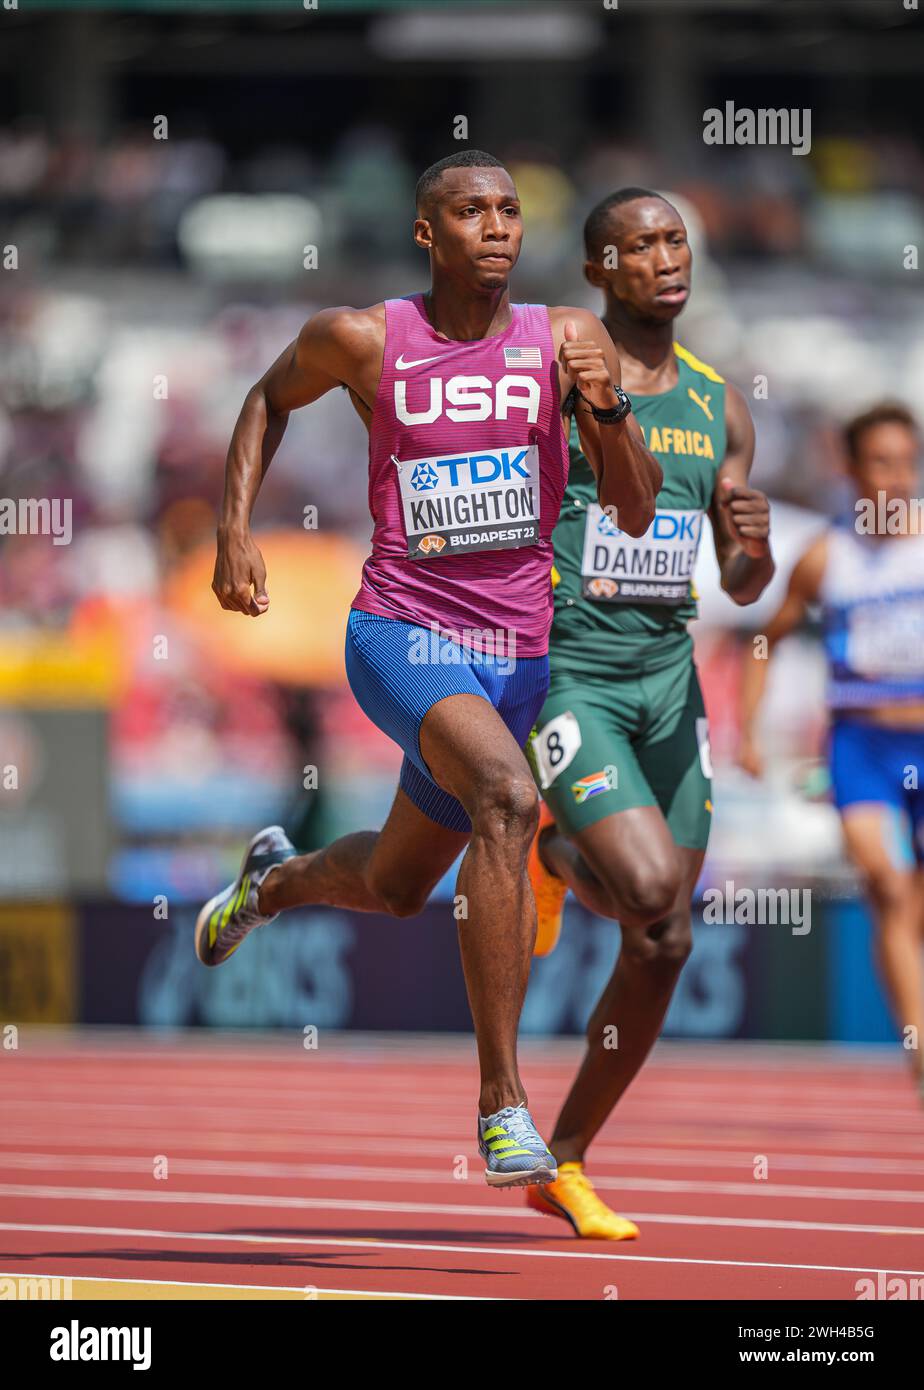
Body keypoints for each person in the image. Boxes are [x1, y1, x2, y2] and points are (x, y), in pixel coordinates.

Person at [195, 152, 661, 1188]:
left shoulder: (567, 342)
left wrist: (613, 414)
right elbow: (268, 398)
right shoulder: (364, 338)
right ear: (426, 232)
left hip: (518, 659)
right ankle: (502, 1102)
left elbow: (632, 506)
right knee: (504, 798)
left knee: (396, 885)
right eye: (469, 210)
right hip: (402, 632)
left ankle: (270, 881)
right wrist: (233, 528)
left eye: (508, 211)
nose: (496, 227)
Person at [523, 188, 773, 1235]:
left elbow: (745, 580)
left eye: (675, 240)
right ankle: (550, 852)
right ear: (599, 272)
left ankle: (565, 1157)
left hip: (668, 678)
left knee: (665, 935)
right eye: (638, 245)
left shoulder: (722, 400)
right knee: (648, 883)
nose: (665, 258)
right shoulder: (556, 374)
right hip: (569, 670)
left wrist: (750, 544)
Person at [739, 402, 924, 1103]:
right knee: (883, 881)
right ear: (850, 470)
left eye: (906, 462)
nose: (896, 478)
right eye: (880, 463)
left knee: (910, 905)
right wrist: (749, 731)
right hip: (861, 742)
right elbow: (767, 637)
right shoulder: (825, 556)